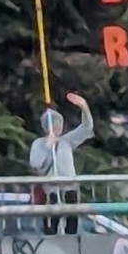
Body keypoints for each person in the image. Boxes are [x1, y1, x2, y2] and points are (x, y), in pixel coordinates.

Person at [29, 93, 94, 236]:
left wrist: (84, 107)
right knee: (52, 225)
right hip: (51, 191)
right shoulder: (38, 144)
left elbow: (86, 128)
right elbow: (35, 163)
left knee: (71, 223)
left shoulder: (67, 141)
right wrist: (47, 146)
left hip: (70, 189)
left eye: (59, 124)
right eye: (54, 124)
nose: (58, 127)